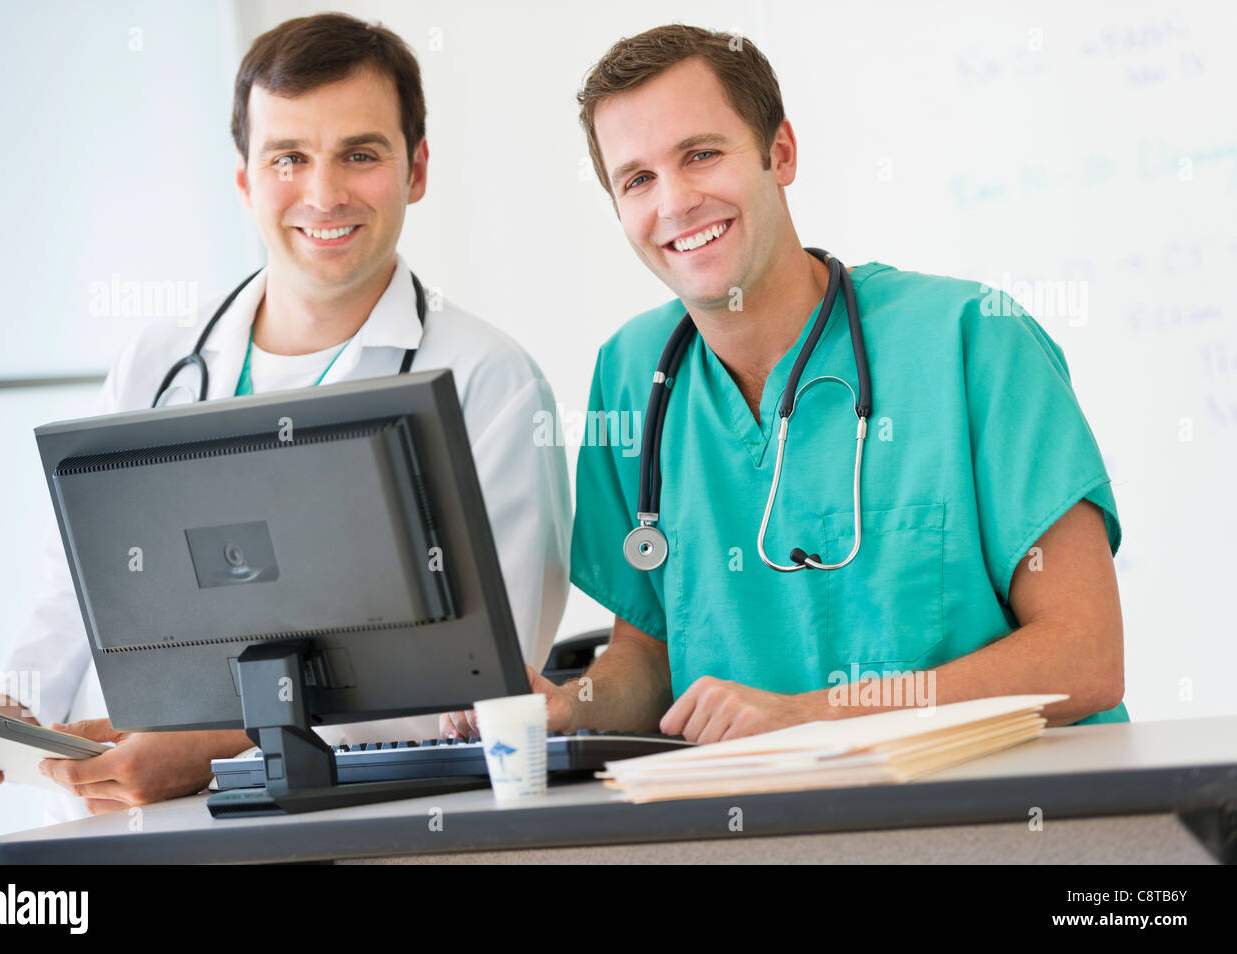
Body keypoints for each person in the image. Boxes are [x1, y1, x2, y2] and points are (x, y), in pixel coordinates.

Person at [0, 13, 570, 816]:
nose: (324, 193)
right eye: (289, 158)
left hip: (383, 824)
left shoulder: (494, 381)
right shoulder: (157, 363)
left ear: (416, 170)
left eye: (361, 154)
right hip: (147, 829)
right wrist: (4, 728)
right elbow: (74, 588)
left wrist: (217, 745)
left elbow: (485, 682)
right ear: (244, 178)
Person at [444, 24, 1125, 744]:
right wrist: (568, 706)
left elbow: (1085, 656)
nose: (673, 203)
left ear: (781, 153)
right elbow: (650, 658)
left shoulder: (969, 338)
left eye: (701, 155)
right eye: (637, 179)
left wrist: (807, 718)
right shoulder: (634, 372)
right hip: (773, 828)